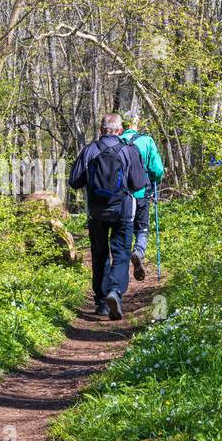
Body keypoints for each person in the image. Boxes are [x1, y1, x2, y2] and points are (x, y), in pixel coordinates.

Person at [69, 112, 148, 320]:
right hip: (123, 211)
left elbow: (74, 181)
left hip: (96, 212)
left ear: (101, 130)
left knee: (100, 254)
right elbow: (139, 183)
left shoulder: (90, 150)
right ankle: (115, 291)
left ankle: (102, 302)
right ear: (120, 130)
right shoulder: (128, 151)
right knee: (121, 253)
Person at [120, 114, 164, 280]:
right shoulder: (147, 141)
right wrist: (154, 180)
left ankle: (121, 264)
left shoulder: (117, 141)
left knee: (124, 227)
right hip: (141, 192)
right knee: (142, 226)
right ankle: (138, 251)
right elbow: (157, 170)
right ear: (137, 123)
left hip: (121, 195)